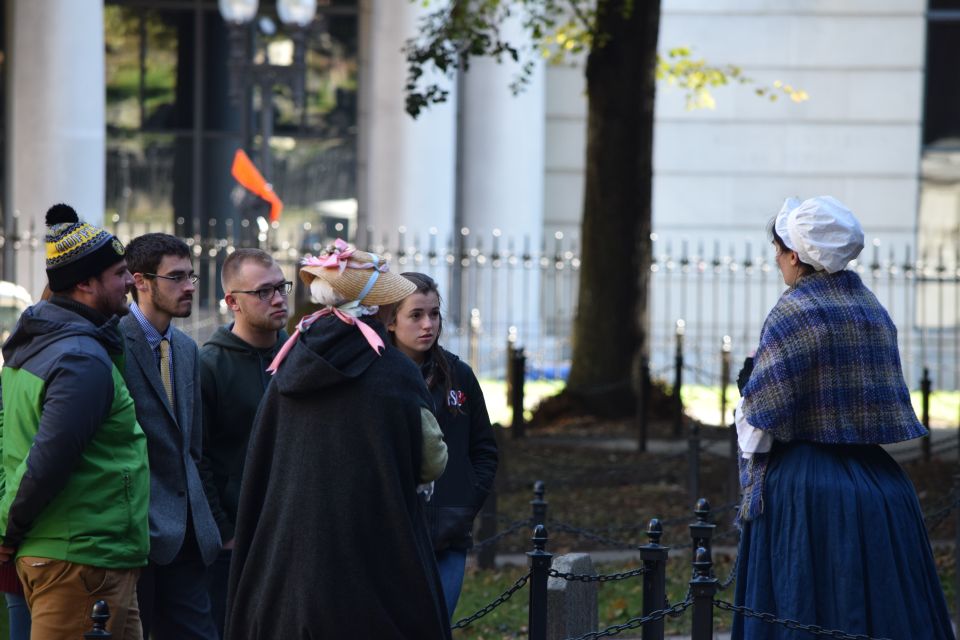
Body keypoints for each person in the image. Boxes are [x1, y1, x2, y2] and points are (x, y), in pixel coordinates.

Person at [732, 196, 953, 639]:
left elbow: (759, 423)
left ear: (795, 256)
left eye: (778, 250)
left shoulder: (795, 311)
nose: (776, 260)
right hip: (880, 486)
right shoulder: (871, 309)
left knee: (803, 607)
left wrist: (748, 392)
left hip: (806, 490)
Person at [225, 240, 451, 639]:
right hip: (375, 554)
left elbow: (264, 456)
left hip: (290, 563)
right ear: (375, 308)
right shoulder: (393, 371)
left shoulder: (292, 359)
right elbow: (431, 460)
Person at [0, 204, 149, 639]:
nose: (130, 281)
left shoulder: (45, 345)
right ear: (84, 283)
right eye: (119, 273)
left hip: (88, 556)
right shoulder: (80, 358)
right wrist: (7, 531)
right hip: (81, 559)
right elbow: (47, 459)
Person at [120, 233, 221, 639]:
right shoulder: (114, 341)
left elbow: (192, 446)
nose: (190, 286)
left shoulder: (186, 348)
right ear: (140, 281)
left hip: (189, 535)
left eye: (190, 276)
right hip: (135, 533)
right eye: (176, 277)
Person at [386, 272, 498, 618]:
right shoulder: (377, 376)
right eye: (416, 315)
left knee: (436, 625)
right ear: (391, 321)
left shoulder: (458, 375)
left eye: (434, 314)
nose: (428, 324)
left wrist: (466, 500)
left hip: (448, 533)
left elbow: (484, 449)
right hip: (391, 536)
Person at [198, 248, 289, 637]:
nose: (279, 299)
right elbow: (197, 457)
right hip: (236, 543)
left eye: (281, 287)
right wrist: (224, 532)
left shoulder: (301, 355)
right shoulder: (209, 365)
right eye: (264, 292)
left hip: (294, 534)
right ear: (233, 302)